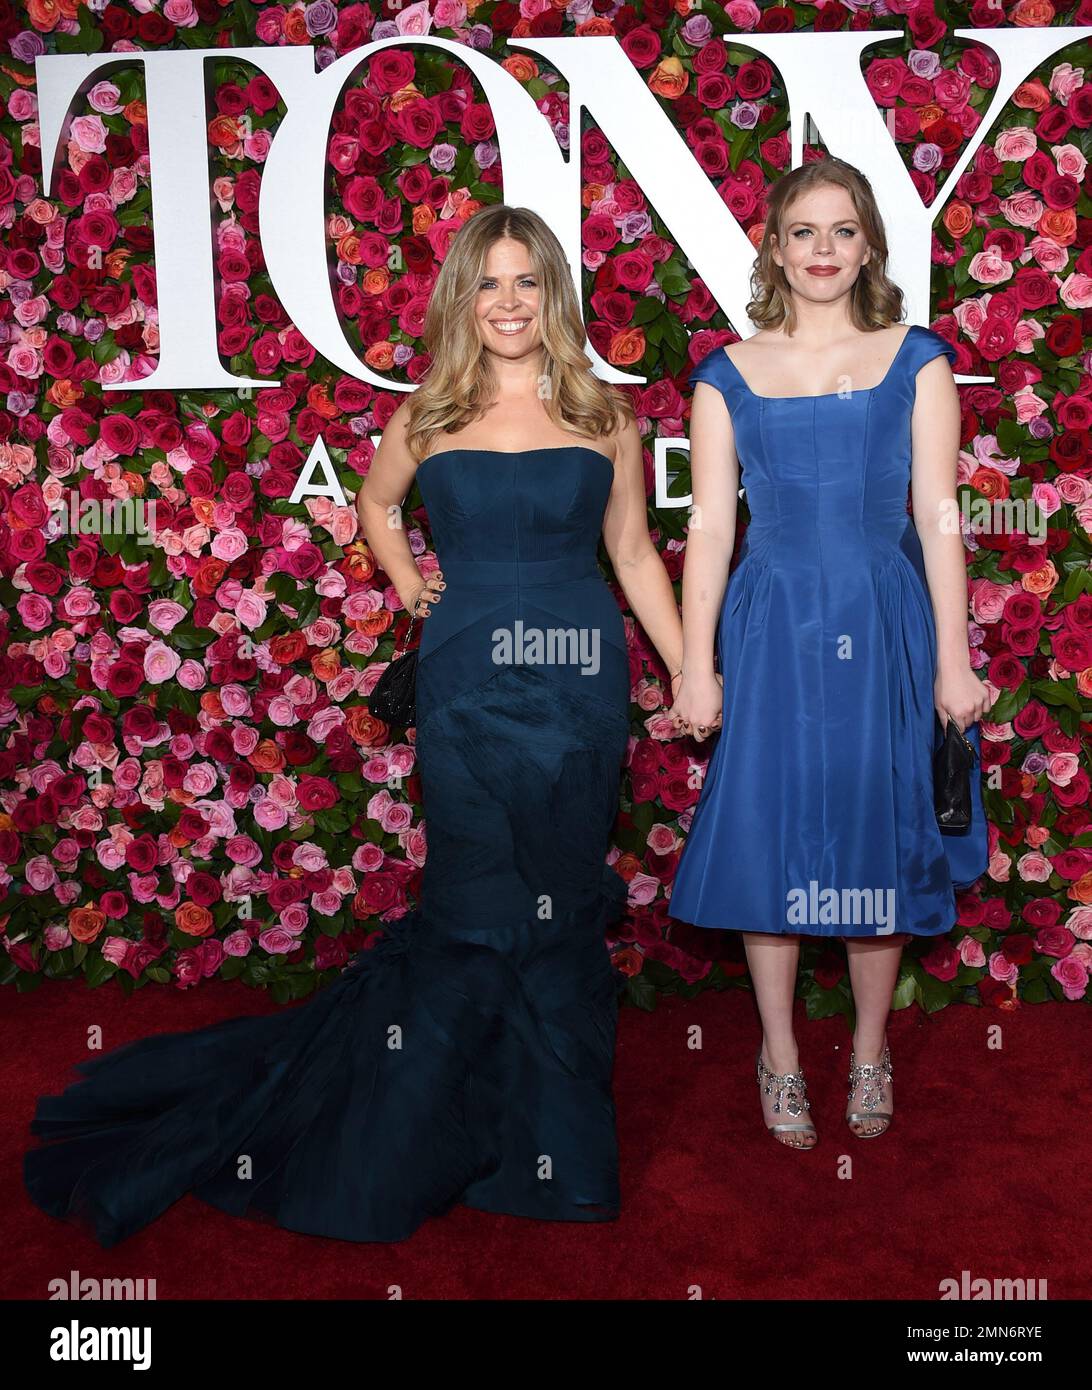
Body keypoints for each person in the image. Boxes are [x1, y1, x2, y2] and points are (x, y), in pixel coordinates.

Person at [23, 204, 685, 1246]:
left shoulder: (606, 414)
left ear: (554, 295)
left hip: (579, 688)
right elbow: (377, 505)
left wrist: (694, 669)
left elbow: (638, 554)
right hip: (466, 682)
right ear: (462, 296)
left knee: (557, 912)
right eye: (487, 282)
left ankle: (552, 1161)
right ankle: (422, 1138)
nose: (507, 302)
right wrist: (415, 584)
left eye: (526, 282)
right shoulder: (426, 411)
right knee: (474, 906)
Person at [667, 158, 990, 1149]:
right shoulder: (727, 373)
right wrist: (694, 662)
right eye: (803, 230)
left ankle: (867, 1049)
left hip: (881, 616)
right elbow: (712, 530)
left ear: (868, 247)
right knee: (770, 831)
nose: (821, 249)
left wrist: (952, 659)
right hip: (769, 628)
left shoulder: (916, 358)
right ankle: (778, 1055)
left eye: (842, 231)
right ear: (774, 244)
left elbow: (938, 519)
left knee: (875, 827)